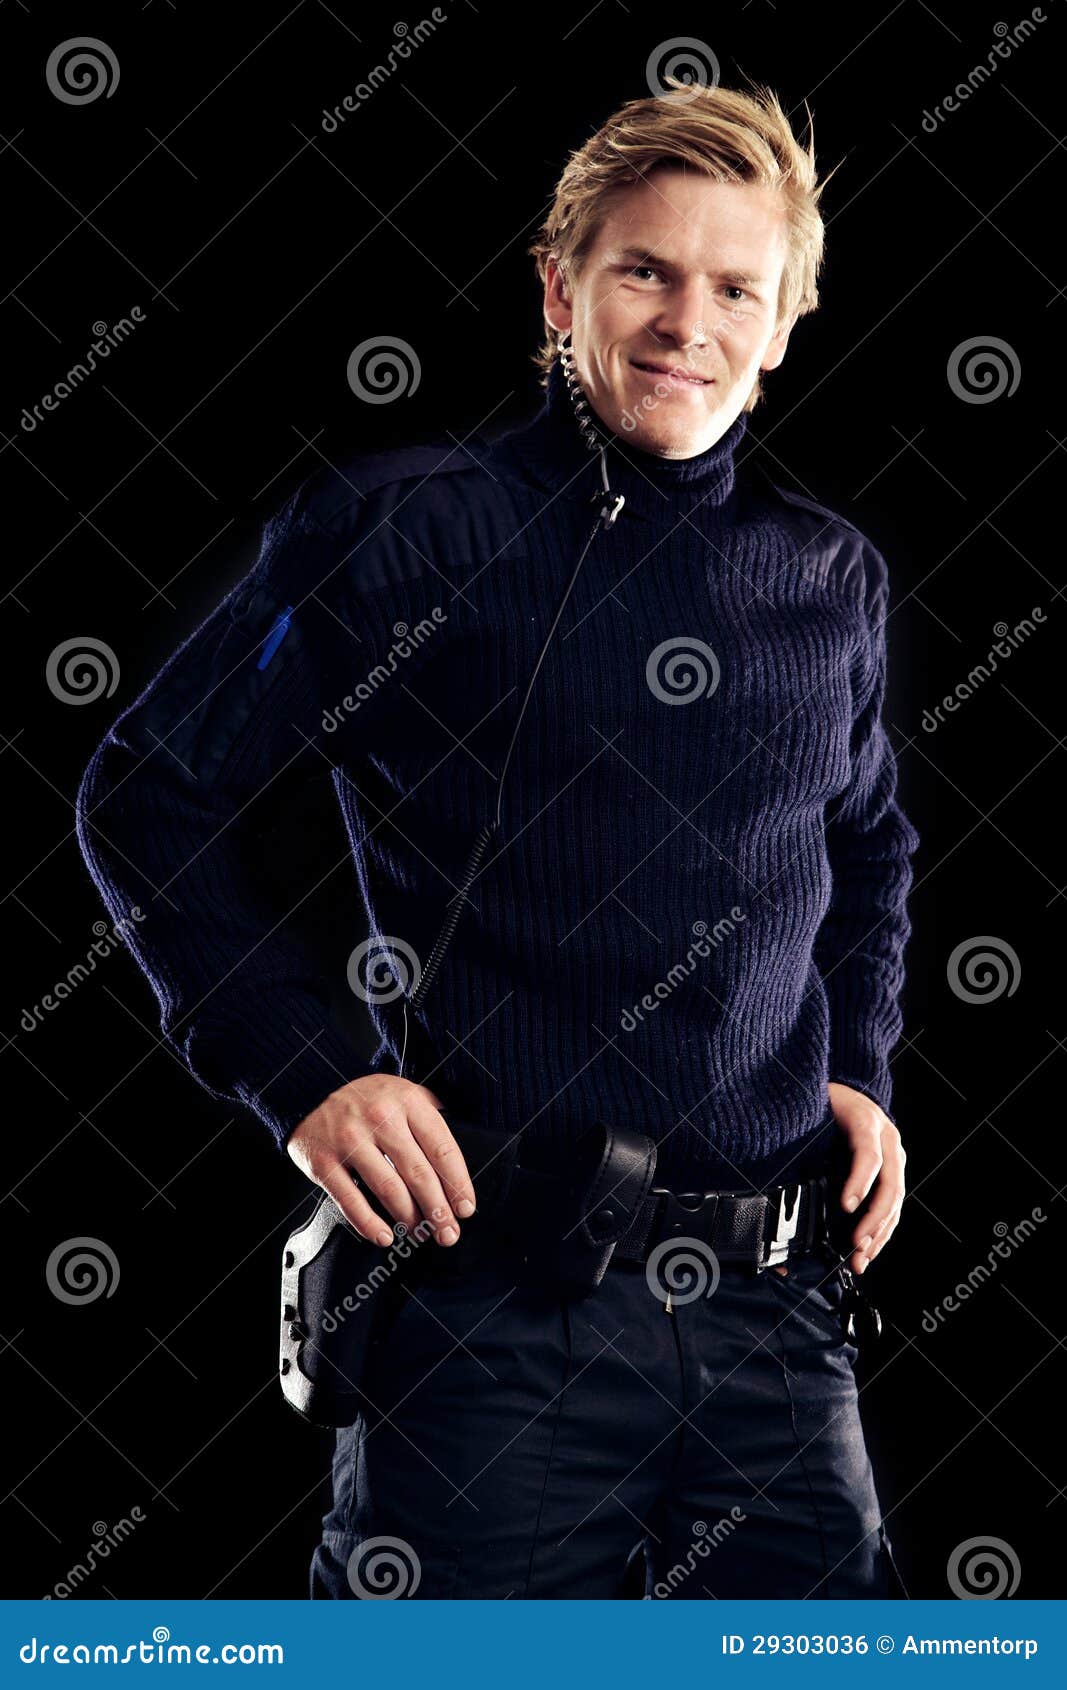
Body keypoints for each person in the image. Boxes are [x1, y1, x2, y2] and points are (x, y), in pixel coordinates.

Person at [75, 78, 919, 1599]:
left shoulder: (829, 577)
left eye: (738, 287)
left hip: (775, 1317)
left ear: (785, 327)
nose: (687, 321)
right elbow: (148, 790)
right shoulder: (406, 531)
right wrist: (307, 1068)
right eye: (644, 271)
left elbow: (867, 847)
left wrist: (858, 1062)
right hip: (492, 1304)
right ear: (559, 288)